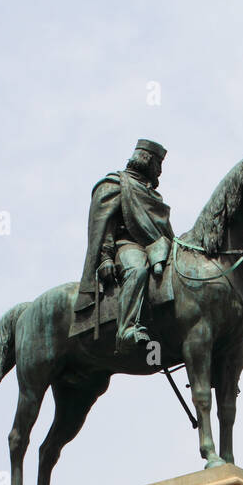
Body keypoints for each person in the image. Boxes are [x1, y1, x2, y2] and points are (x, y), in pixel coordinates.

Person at [75, 139, 174, 350]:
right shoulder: (115, 184)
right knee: (137, 270)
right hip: (125, 245)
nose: (160, 172)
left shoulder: (150, 192)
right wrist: (105, 258)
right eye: (158, 164)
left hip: (157, 247)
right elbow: (102, 226)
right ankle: (127, 328)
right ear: (146, 161)